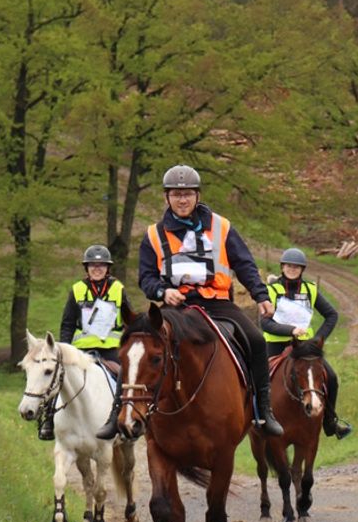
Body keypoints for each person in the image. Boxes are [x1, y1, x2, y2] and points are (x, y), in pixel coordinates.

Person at [95, 164, 283, 439]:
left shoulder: (221, 227)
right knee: (136, 342)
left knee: (256, 339)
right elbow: (146, 277)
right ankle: (116, 414)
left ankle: (263, 411)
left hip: (216, 301)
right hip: (175, 306)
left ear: (197, 196)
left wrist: (261, 295)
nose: (182, 200)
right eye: (176, 194)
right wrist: (162, 292)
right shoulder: (153, 235)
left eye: (187, 194)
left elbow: (244, 264)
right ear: (166, 197)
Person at [38, 244, 136, 441]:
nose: (97, 268)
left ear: (108, 268)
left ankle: (122, 421)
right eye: (93, 265)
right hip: (82, 350)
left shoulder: (118, 289)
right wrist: (63, 350)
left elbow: (129, 319)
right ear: (87, 268)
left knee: (125, 378)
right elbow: (67, 324)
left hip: (111, 349)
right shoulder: (77, 290)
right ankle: (48, 419)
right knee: (60, 375)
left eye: (101, 265)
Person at [260, 247, 353, 440]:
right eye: (289, 266)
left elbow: (331, 315)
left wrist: (317, 340)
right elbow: (265, 323)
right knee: (259, 381)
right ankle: (258, 419)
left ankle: (330, 421)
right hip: (276, 346)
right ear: (282, 267)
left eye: (297, 267)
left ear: (302, 269)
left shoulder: (310, 289)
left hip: (304, 349)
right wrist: (290, 330)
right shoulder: (272, 290)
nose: (292, 269)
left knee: (332, 378)